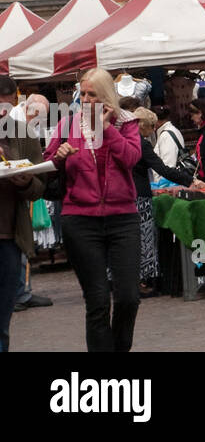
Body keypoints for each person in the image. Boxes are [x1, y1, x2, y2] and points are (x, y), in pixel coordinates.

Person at [45, 67, 143, 353]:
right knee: (98, 300)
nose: (85, 100)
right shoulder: (66, 125)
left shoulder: (126, 123)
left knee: (128, 297)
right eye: (83, 94)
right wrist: (59, 157)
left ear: (107, 98)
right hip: (80, 220)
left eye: (93, 95)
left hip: (123, 218)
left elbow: (131, 159)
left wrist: (107, 130)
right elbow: (48, 163)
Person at [0, 76, 49, 349]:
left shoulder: (23, 134)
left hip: (8, 236)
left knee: (2, 323)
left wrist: (26, 181)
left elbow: (38, 187)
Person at [129, 109, 191, 297]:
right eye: (151, 126)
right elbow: (163, 169)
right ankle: (142, 282)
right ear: (144, 125)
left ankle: (132, 281)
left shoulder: (125, 141)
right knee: (145, 239)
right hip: (140, 196)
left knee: (132, 240)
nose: (153, 129)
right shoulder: (142, 145)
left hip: (127, 195)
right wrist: (189, 180)